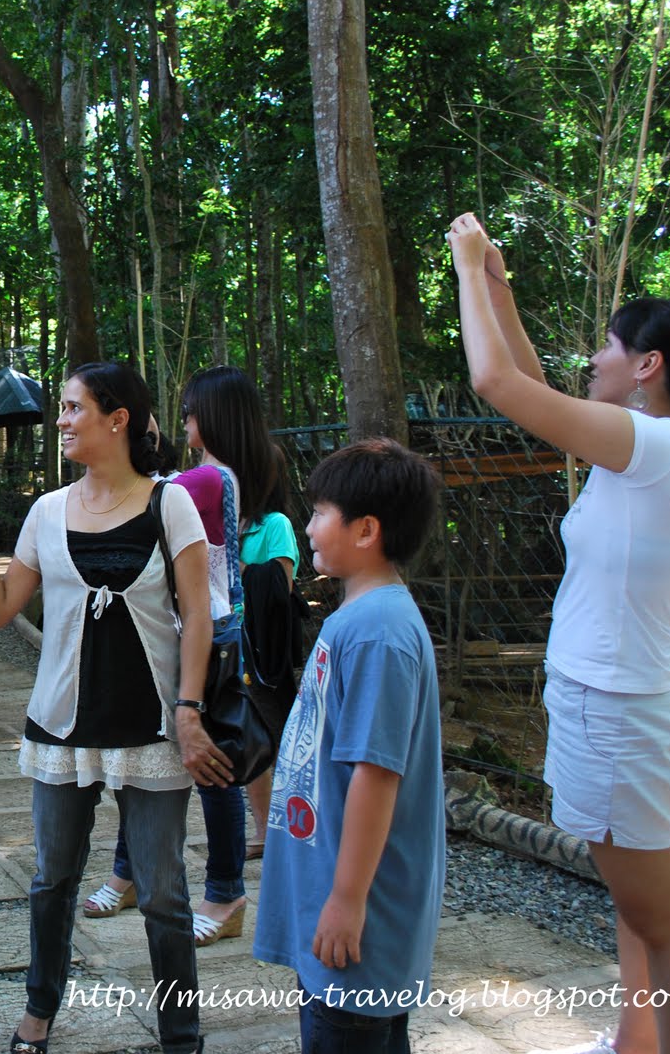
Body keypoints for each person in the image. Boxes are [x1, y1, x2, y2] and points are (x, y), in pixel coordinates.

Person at [450, 213, 670, 1054]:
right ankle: (632, 1041)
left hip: (619, 712)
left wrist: (464, 264)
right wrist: (496, 287)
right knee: (638, 901)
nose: (592, 363)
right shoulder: (646, 445)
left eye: (607, 350)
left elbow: (497, 382)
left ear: (647, 365)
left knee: (666, 916)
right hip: (611, 702)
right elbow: (534, 383)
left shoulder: (655, 447)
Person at [0, 362, 229, 1054]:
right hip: (62, 726)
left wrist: (190, 709)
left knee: (164, 892)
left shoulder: (171, 505)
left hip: (152, 726)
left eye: (75, 408)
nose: (63, 420)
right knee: (53, 879)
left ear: (118, 418)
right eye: (63, 409)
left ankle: (181, 1034)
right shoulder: (47, 511)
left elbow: (198, 616)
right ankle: (38, 1013)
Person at [252, 437, 445, 1054]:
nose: (306, 526)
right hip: (342, 898)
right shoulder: (358, 619)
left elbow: (376, 773)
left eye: (319, 513)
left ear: (366, 530)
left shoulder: (378, 634)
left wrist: (346, 899)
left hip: (364, 912)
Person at [81, 366, 275, 949]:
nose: (185, 418)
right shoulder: (208, 478)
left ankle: (225, 893)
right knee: (143, 764)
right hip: (184, 637)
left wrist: (132, 439)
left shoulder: (207, 482)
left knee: (209, 772)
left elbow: (145, 499)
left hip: (204, 643)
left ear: (212, 416)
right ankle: (130, 872)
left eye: (191, 410)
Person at [241, 446, 308, 858]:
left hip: (265, 651)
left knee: (284, 740)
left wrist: (233, 565)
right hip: (235, 646)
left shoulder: (276, 524)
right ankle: (264, 830)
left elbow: (279, 584)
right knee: (250, 744)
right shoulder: (230, 522)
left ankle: (300, 826)